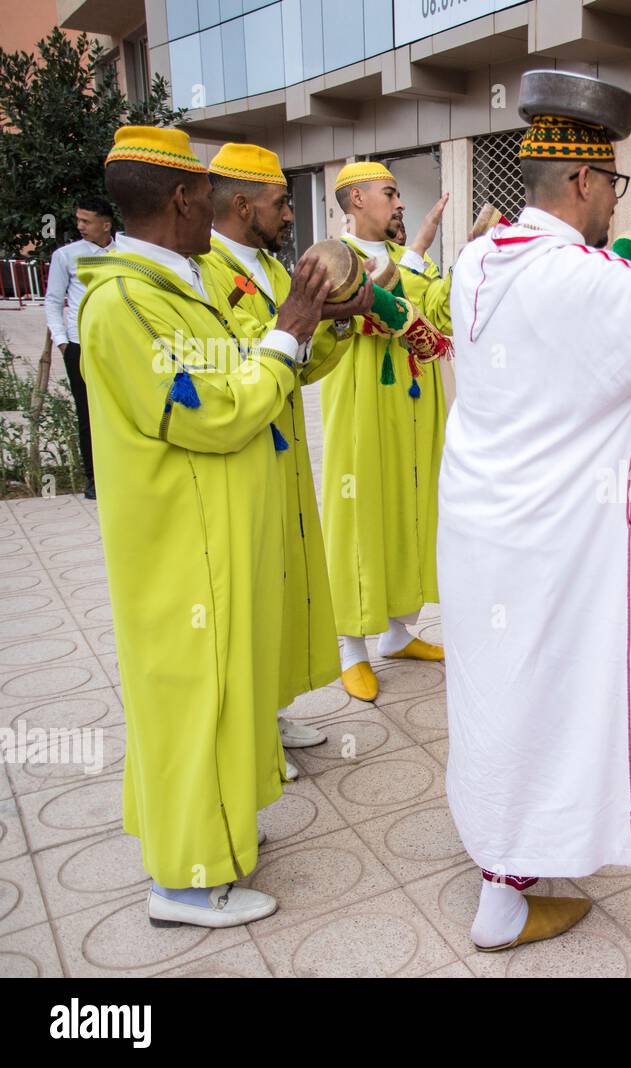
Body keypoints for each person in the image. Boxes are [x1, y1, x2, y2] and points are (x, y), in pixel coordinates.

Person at [440, 78, 631, 952]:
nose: (617, 200)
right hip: (553, 541)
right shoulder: (584, 283)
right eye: (614, 187)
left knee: (493, 691)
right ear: (582, 182)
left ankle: (498, 839)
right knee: (545, 693)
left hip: (482, 527)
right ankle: (502, 898)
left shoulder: (477, 259)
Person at [78, 126, 341, 927]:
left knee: (225, 696)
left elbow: (250, 366)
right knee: (191, 705)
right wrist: (288, 332)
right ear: (187, 199)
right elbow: (215, 412)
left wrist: (306, 326)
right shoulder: (124, 303)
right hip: (180, 551)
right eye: (206, 193)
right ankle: (183, 885)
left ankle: (221, 840)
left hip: (217, 538)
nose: (218, 205)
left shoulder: (180, 283)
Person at [199, 143, 371, 760]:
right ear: (242, 204)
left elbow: (302, 367)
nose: (290, 215)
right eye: (279, 203)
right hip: (242, 450)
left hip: (286, 450)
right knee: (250, 594)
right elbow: (247, 358)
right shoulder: (207, 272)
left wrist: (339, 322)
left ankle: (270, 717)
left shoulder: (277, 271)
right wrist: (296, 323)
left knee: (283, 583)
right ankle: (251, 743)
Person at [322, 163, 451, 701]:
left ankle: (397, 633)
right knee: (361, 515)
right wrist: (405, 293)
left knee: (412, 512)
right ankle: (352, 647)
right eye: (390, 193)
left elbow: (437, 314)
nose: (400, 204)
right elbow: (375, 314)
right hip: (363, 406)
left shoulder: (406, 261)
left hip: (417, 410)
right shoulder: (331, 260)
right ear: (355, 199)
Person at [45, 195, 115, 500]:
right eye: (78, 220)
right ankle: (94, 478)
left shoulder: (127, 251)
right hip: (79, 346)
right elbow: (52, 300)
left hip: (118, 345)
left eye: (86, 221)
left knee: (122, 410)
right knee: (87, 413)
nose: (80, 226)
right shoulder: (67, 256)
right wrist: (61, 341)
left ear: (106, 224)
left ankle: (123, 471)